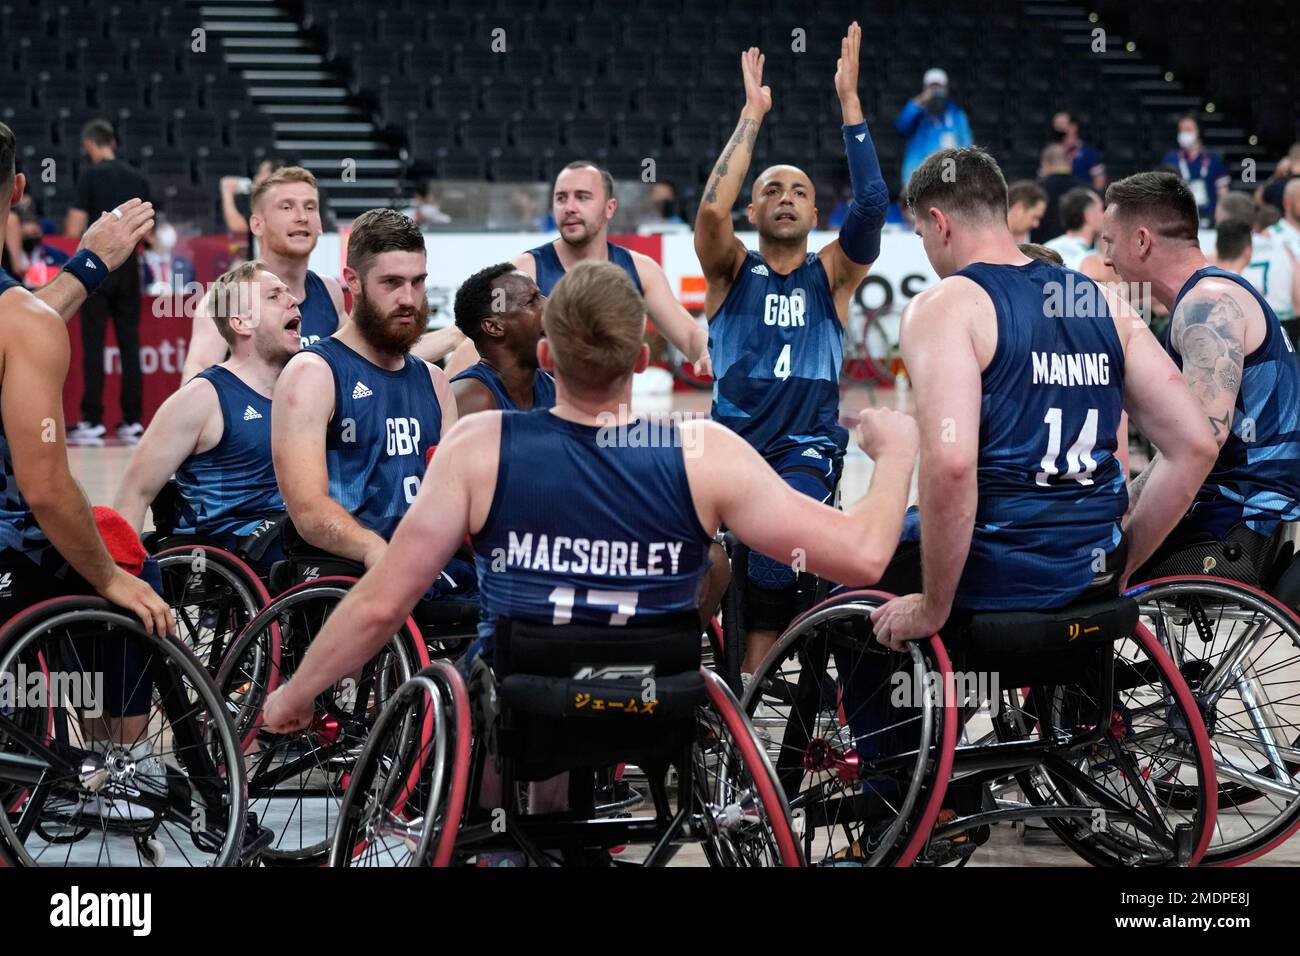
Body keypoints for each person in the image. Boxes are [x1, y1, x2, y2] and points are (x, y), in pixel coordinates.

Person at [261, 260, 919, 743]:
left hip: (524, 702)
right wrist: (895, 457)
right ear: (640, 356)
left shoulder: (478, 446)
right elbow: (863, 556)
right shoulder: (703, 451)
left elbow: (379, 606)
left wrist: (296, 693)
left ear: (547, 354)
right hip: (652, 700)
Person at [867, 147, 1217, 650]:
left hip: (1001, 571)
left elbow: (952, 466)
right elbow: (1196, 446)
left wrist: (932, 607)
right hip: (1092, 571)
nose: (926, 247)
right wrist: (1121, 562)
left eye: (921, 235)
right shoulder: (1103, 300)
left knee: (850, 585)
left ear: (939, 222)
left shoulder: (945, 306)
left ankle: (893, 728)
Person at [695, 24, 888, 679]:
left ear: (814, 211)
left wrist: (850, 106)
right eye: (772, 190)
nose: (785, 198)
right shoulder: (728, 269)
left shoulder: (832, 274)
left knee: (777, 551)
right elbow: (709, 216)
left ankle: (753, 683)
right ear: (754, 208)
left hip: (802, 449)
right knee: (688, 561)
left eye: (799, 190)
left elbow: (872, 203)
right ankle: (690, 664)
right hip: (730, 449)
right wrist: (752, 116)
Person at [0, 121, 169, 632]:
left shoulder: (22, 321)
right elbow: (47, 491)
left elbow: (23, 325)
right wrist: (110, 578)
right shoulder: (23, 324)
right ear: (17, 189)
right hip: (11, 553)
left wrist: (90, 264)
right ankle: (106, 715)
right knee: (131, 566)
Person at [1101, 171, 1300, 582]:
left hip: (1236, 522)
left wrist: (1126, 550)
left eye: (1109, 241)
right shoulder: (1211, 295)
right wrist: (1129, 502)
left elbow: (1200, 447)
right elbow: (1189, 443)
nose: (1105, 258)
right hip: (1253, 511)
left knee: (1087, 570)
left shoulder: (1207, 304)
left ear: (1141, 240)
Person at [271, 207, 466, 584]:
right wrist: (374, 549)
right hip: (354, 571)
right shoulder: (313, 373)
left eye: (418, 282)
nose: (409, 298)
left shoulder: (436, 382)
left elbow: (455, 498)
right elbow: (308, 510)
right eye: (392, 283)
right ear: (353, 281)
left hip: (433, 566)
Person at [186, 166, 464, 382]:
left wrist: (457, 334)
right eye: (286, 207)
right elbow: (195, 387)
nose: (301, 216)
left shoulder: (329, 291)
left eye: (310, 207)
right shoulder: (225, 299)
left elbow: (371, 360)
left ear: (320, 223)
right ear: (257, 224)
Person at [444, 161, 711, 381]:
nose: (569, 207)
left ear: (610, 208)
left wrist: (705, 352)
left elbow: (689, 335)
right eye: (561, 198)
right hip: (545, 426)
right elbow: (476, 342)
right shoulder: (525, 271)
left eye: (582, 197)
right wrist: (447, 404)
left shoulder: (641, 270)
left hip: (610, 426)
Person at [113, 261, 299, 574]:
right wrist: (128, 582)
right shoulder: (202, 397)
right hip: (228, 551)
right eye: (273, 296)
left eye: (289, 293)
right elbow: (135, 492)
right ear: (241, 322)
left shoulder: (302, 390)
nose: (291, 300)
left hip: (287, 533)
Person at [64, 119, 152, 445]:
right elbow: (149, 231)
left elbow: (74, 228)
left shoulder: (90, 176)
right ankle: (132, 421)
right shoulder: (138, 178)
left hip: (98, 267)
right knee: (130, 345)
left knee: (94, 344)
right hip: (130, 268)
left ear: (90, 145)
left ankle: (93, 420)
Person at [450, 263, 555, 415]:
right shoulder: (470, 400)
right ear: (494, 327)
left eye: (541, 296)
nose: (549, 305)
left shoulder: (554, 390)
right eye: (532, 301)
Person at [894, 66, 972, 192]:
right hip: (917, 173)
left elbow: (967, 144)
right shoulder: (917, 111)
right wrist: (920, 101)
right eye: (932, 87)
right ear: (925, 89)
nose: (935, 91)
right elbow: (901, 127)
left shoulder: (956, 114)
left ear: (945, 88)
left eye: (939, 87)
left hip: (949, 176)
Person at [1161, 114, 1229, 224]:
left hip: (1209, 218)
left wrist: (1223, 218)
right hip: (1179, 219)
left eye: (1188, 130)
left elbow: (1223, 193)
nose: (1184, 134)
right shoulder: (1171, 158)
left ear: (1198, 131)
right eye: (1181, 130)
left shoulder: (1214, 159)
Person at [1045, 187, 1103, 270]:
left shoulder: (1047, 248)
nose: (1104, 215)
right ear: (1088, 216)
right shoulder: (1094, 260)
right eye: (1100, 210)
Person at [1049, 109, 1106, 192]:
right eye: (1055, 125)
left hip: (1081, 199)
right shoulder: (1050, 152)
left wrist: (1093, 196)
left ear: (1073, 127)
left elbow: (1099, 180)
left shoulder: (1088, 153)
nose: (1057, 128)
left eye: (1061, 124)